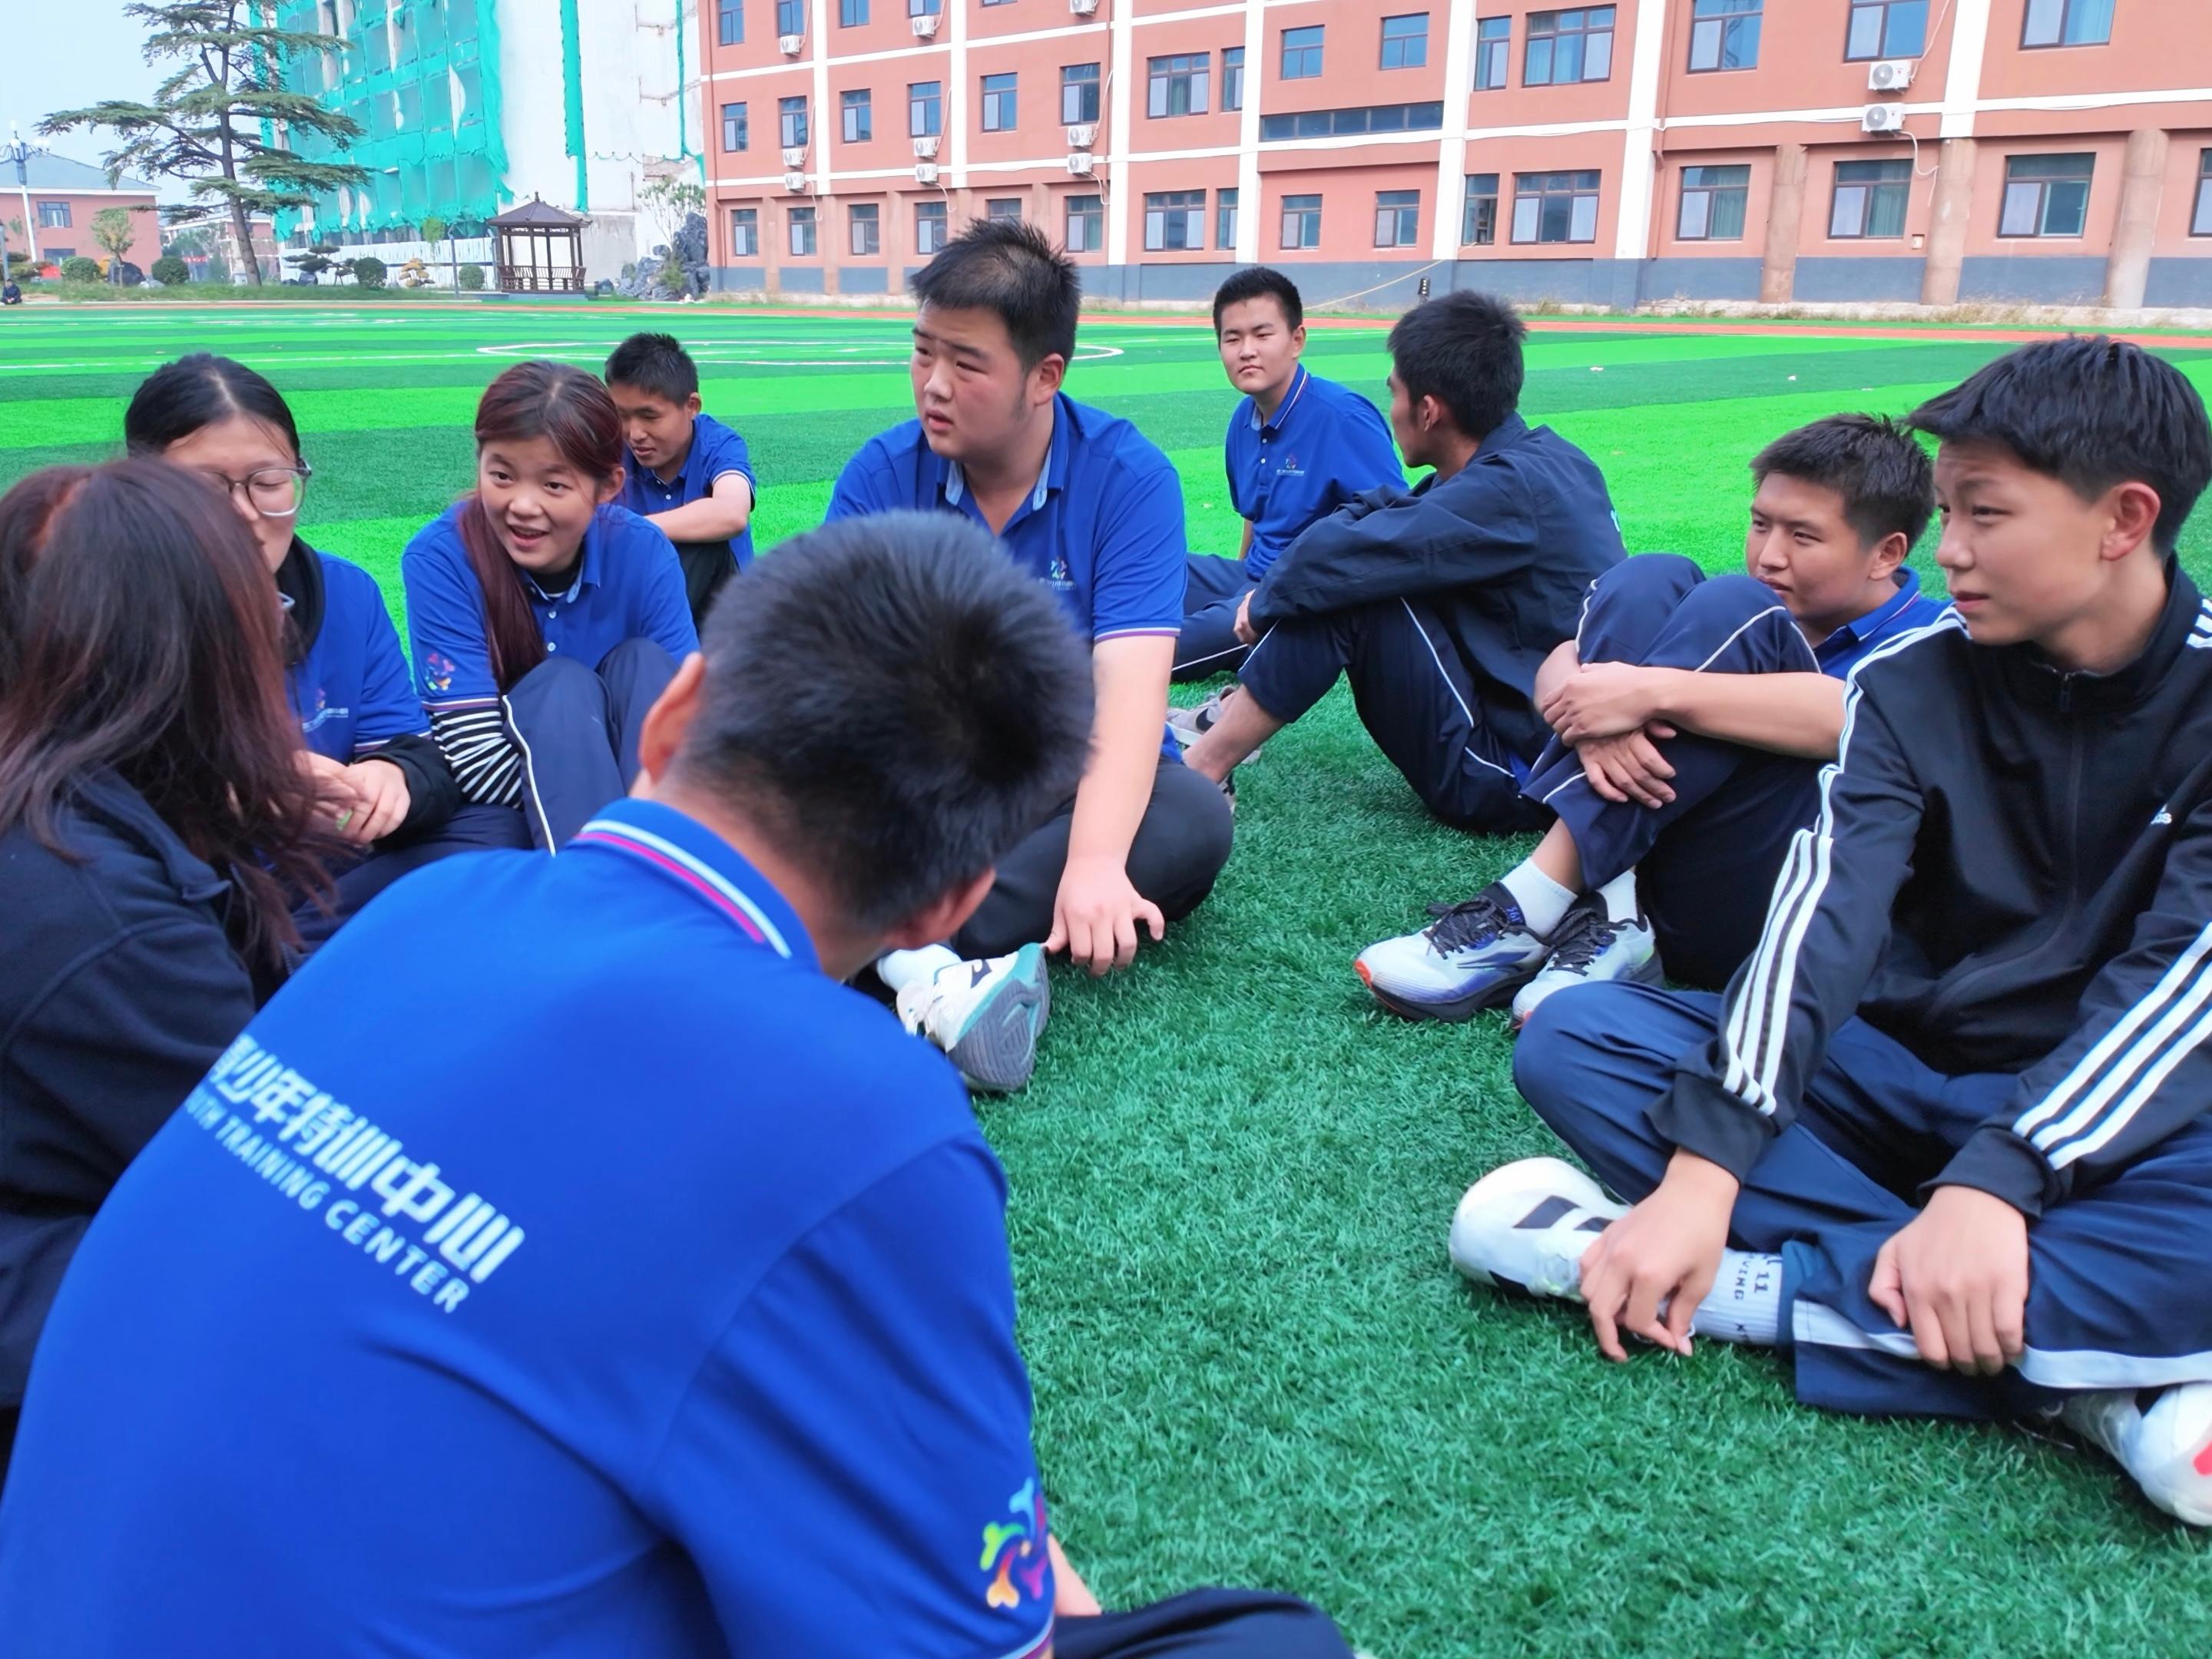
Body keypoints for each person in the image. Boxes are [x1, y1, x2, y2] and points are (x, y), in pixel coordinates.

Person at [0, 512, 1355, 1659]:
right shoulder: (866, 1116)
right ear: (952, 903)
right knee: (1270, 1644)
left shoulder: (426, 910)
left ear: (672, 711)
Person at [1452, 338, 2212, 1526]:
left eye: (1986, 514)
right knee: (1580, 1038)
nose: (1949, 550)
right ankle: (2088, 1377)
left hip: (2112, 1119)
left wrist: (1999, 1182)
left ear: (2124, 519)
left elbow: (2180, 988)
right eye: (1950, 512)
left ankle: (1750, 1297)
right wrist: (1706, 1172)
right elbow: (1819, 921)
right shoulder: (1912, 682)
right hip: (1887, 1078)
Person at [1356, 415, 1948, 1025]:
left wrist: (1650, 693)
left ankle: (1529, 906)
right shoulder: (1749, 616)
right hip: (1653, 884)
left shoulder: (1935, 637)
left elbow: (1859, 719)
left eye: (1803, 537)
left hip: (1782, 908)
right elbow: (1561, 668)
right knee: (1650, 576)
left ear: (1886, 553)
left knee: (1735, 603)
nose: (1769, 556)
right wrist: (1605, 724)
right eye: (1760, 524)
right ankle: (1613, 920)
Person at [825, 219, 1234, 1092]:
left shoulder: (1128, 480)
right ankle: (931, 967)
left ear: (1045, 376)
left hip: (1066, 776)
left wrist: (1094, 861)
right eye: (922, 352)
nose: (933, 384)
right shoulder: (881, 479)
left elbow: (1130, 697)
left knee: (1193, 819)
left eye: (966, 364)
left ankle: (870, 942)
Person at [0, 459, 333, 1481]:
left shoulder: (67, 813)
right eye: (258, 614)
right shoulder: (99, 913)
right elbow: (285, 1198)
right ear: (199, 654)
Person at [1181, 292, 1626, 830]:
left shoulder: (1504, 490)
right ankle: (1227, 714)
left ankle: (1201, 771)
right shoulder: (1543, 460)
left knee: (1351, 591)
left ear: (1429, 411)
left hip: (1514, 775)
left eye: (1395, 392)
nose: (1392, 408)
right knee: (1346, 570)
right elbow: (1380, 510)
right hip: (1530, 737)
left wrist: (1263, 602)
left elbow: (1345, 556)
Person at [122, 353, 526, 945]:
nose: (245, 514)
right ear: (139, 490)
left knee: (495, 831)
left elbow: (417, 753)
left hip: (317, 878)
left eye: (269, 483)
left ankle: (284, 958)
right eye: (206, 489)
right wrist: (241, 788)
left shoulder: (344, 594)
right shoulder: (107, 608)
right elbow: (75, 803)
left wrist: (393, 778)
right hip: (176, 887)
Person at [403, 359, 700, 851]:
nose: (523, 505)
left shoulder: (643, 550)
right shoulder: (443, 557)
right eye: (501, 475)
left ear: (608, 486)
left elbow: (686, 725)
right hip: (511, 808)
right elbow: (472, 756)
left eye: (554, 485)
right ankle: (618, 876)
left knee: (644, 661)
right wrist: (595, 803)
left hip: (638, 797)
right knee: (560, 686)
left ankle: (639, 866)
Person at [1171, 267, 1404, 689]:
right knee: (1148, 569)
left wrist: (1265, 600)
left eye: (1262, 335)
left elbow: (1393, 526)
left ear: (1297, 340)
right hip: (1251, 578)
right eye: (1233, 338)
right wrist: (1237, 593)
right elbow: (1254, 515)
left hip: (1299, 599)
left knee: (1160, 645)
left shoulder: (1342, 417)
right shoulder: (1243, 420)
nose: (1247, 351)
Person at [604, 331, 758, 629]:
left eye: (650, 416)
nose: (635, 433)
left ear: (691, 406)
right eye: (622, 416)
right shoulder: (612, 449)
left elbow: (731, 513)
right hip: (640, 603)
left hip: (723, 617)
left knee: (706, 540)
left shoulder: (718, 444)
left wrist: (630, 529)